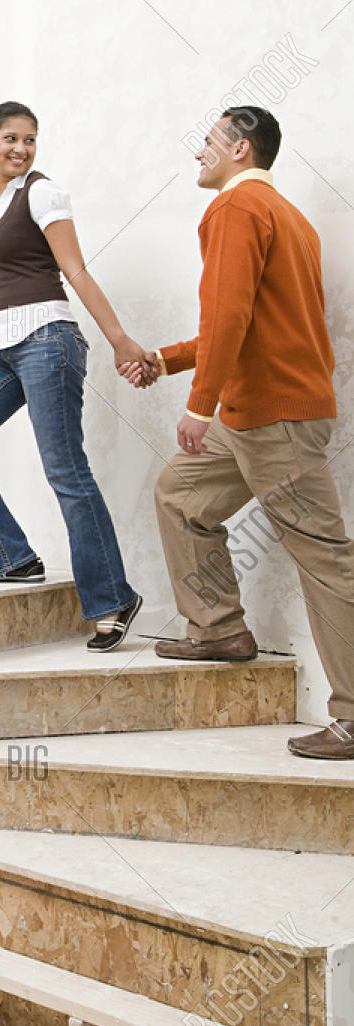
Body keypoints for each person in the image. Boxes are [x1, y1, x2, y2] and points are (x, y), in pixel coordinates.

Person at [122, 106, 354, 759]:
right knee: (179, 495)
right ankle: (218, 628)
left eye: (207, 141)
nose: (198, 152)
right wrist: (163, 361)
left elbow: (227, 318)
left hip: (273, 420)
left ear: (240, 149)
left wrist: (196, 408)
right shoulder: (287, 218)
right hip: (255, 415)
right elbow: (242, 323)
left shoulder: (234, 210)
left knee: (327, 560)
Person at [0, 100, 152, 652]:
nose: (21, 149)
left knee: (65, 471)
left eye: (30, 139)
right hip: (3, 350)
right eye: (10, 138)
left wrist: (120, 338)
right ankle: (9, 558)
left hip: (49, 340)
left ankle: (111, 598)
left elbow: (73, 270)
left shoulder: (43, 193)